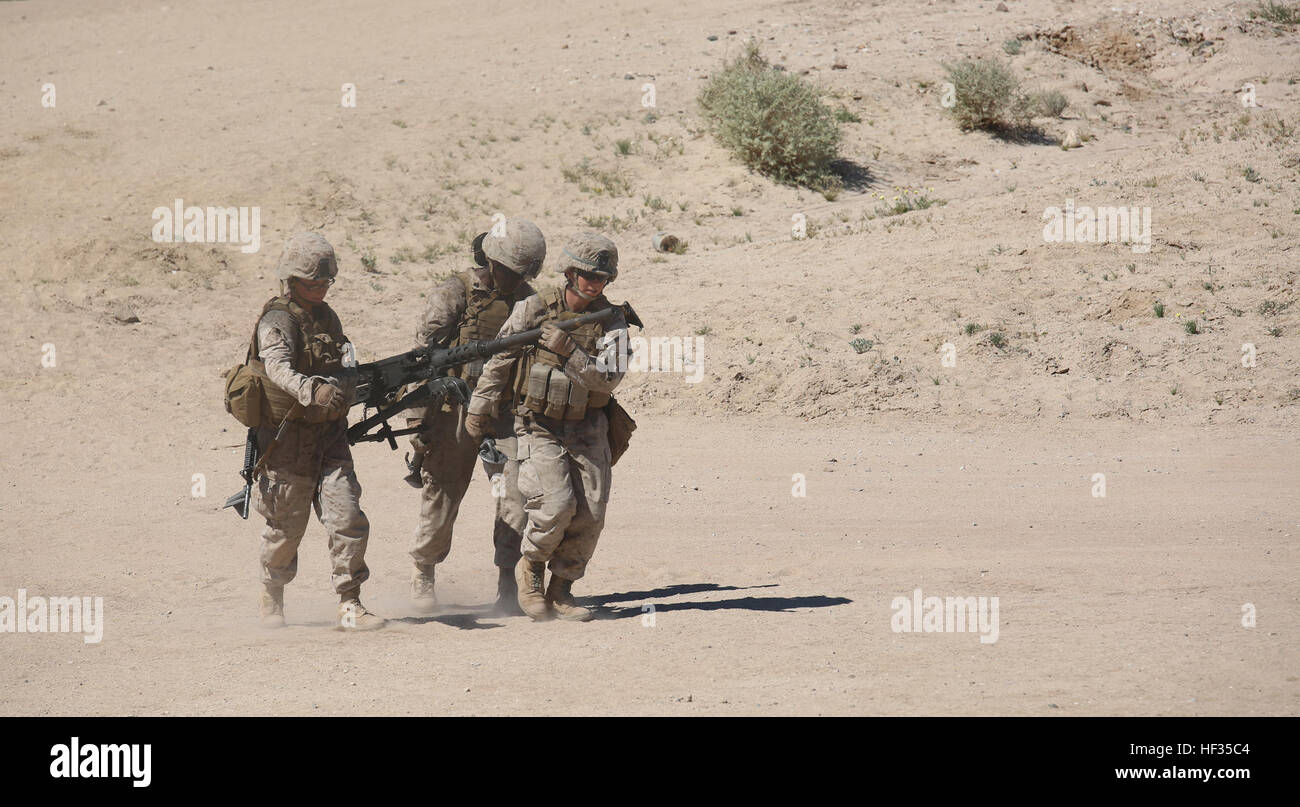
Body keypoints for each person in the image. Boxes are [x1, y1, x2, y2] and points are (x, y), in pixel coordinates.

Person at [465, 232, 629, 621]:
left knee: (591, 512)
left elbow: (608, 379)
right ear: (570, 273)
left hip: (589, 426)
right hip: (537, 424)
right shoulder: (534, 307)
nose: (594, 284)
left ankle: (562, 589)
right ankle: (532, 569)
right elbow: (500, 360)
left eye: (602, 278)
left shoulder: (612, 320)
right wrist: (479, 408)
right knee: (555, 505)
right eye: (587, 275)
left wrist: (569, 350)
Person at [406, 219, 545, 615]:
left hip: (504, 412)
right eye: (511, 272)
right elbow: (419, 357)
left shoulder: (528, 300)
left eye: (523, 274)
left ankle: (508, 581)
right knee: (444, 493)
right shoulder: (455, 293)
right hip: (454, 410)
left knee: (514, 497)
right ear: (492, 261)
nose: (517, 281)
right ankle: (424, 572)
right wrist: (422, 419)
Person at [250, 232, 384, 631]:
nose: (322, 288)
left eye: (327, 282)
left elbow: (342, 360)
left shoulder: (327, 316)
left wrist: (352, 384)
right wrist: (313, 389)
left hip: (330, 438)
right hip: (287, 442)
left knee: (348, 519)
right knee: (286, 530)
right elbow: (276, 368)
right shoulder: (277, 320)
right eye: (314, 283)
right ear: (292, 281)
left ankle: (350, 603)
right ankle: (271, 595)